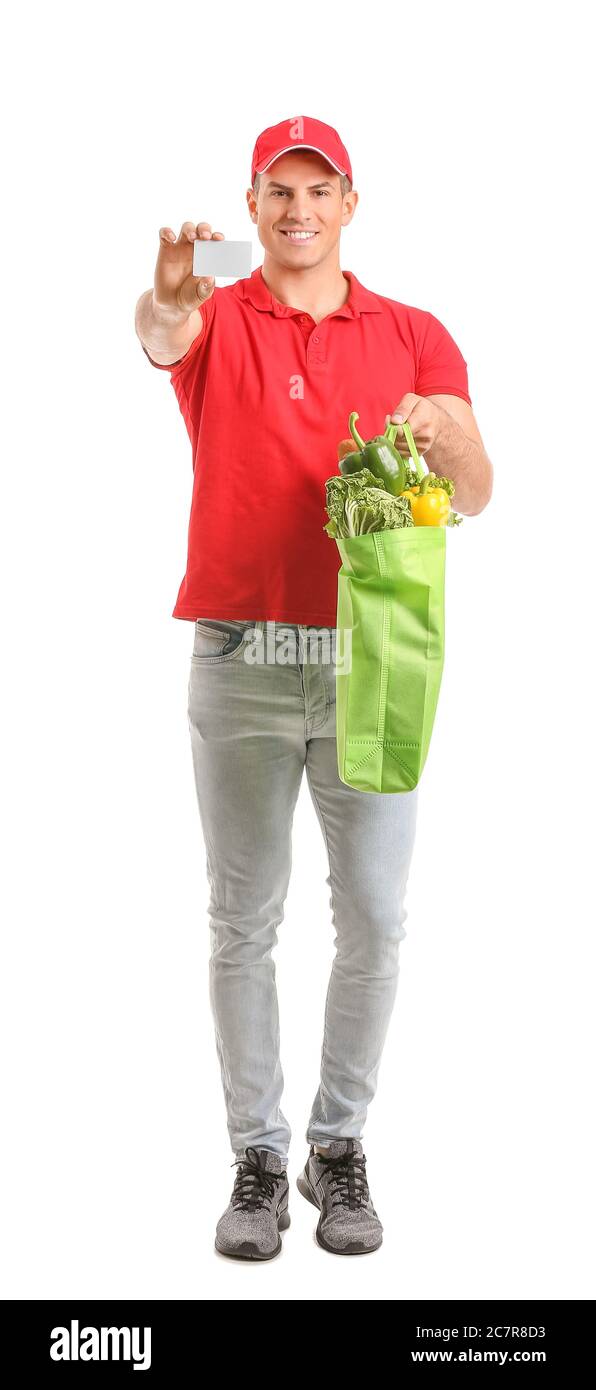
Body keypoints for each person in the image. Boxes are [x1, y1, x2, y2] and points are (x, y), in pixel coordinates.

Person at [134, 115, 493, 1261]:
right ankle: (255, 1152)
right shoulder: (219, 316)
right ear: (251, 207)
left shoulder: (415, 334)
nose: (297, 209)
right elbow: (159, 332)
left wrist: (440, 432)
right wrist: (167, 297)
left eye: (317, 189)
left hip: (367, 661)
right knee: (242, 920)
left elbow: (476, 492)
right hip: (241, 656)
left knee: (376, 919)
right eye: (277, 191)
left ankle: (336, 1150)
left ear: (349, 203)